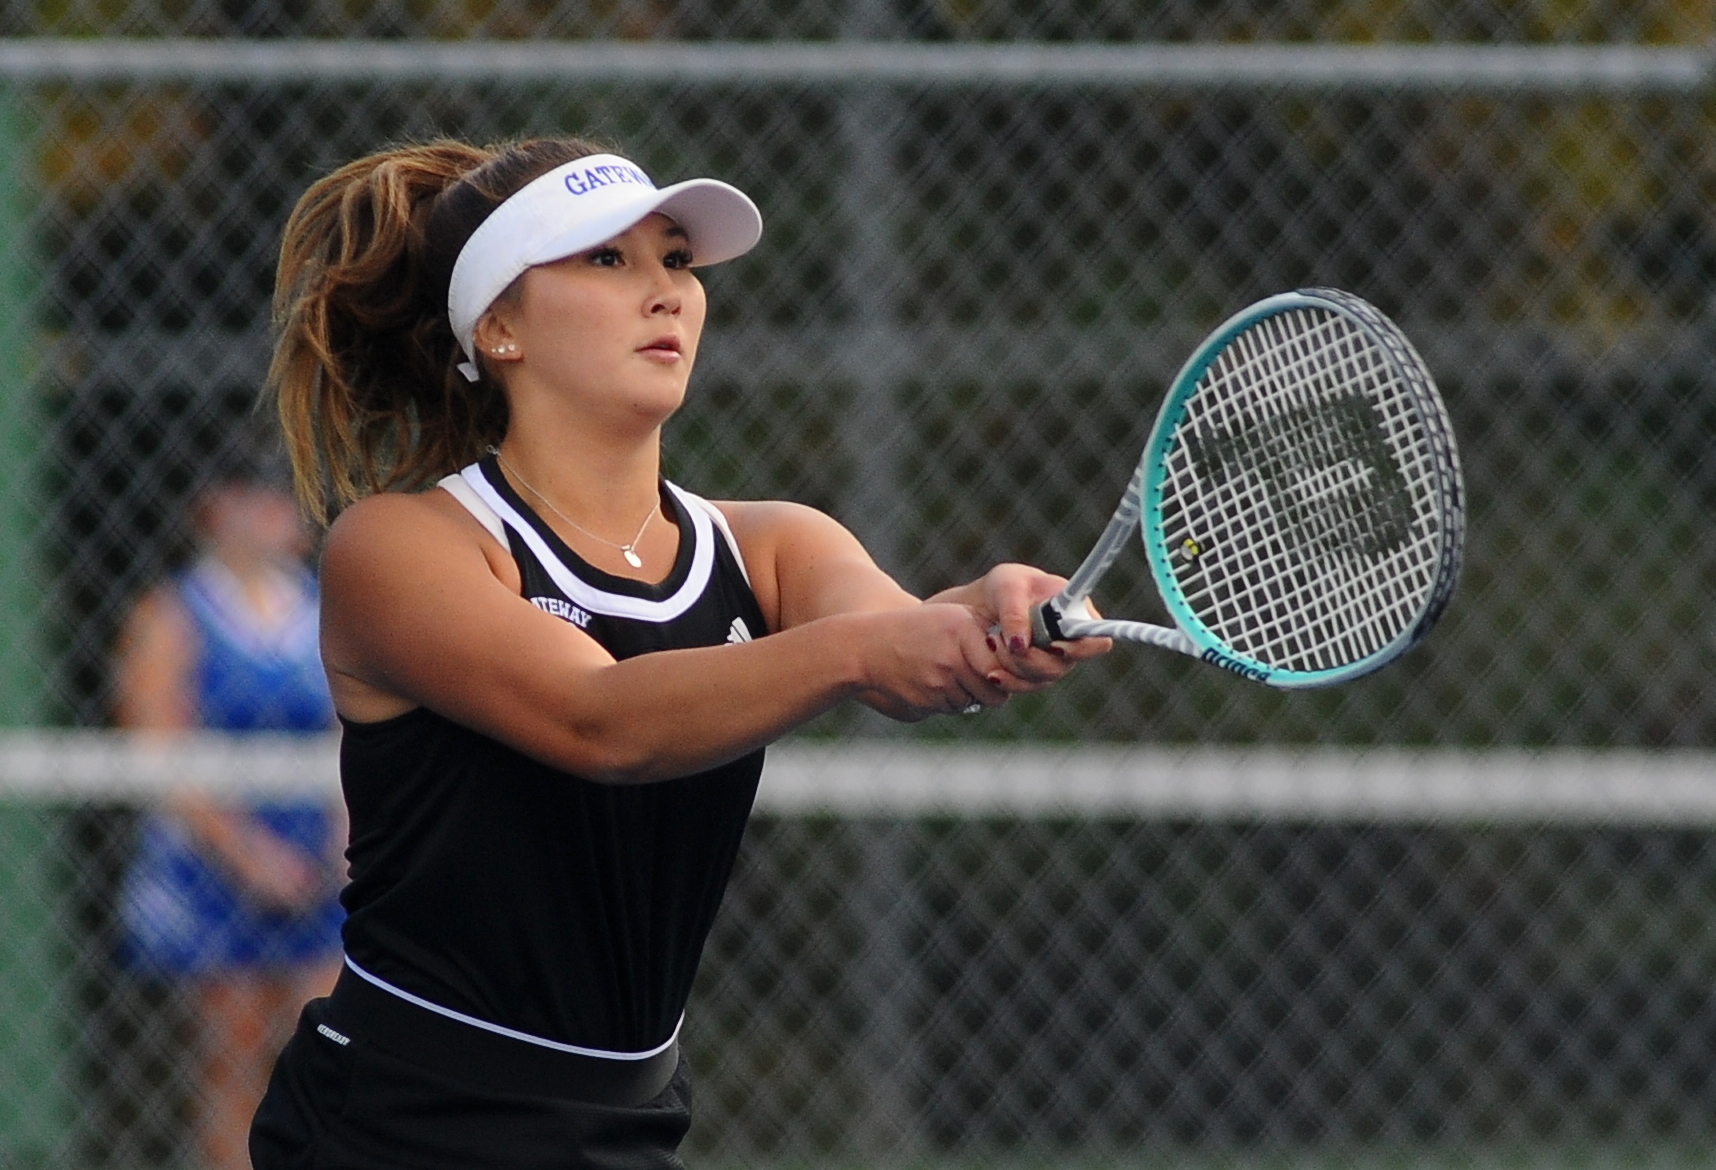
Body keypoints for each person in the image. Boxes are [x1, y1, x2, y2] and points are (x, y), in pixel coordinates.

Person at [245, 137, 1107, 1168]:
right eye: (608, 260)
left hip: (627, 1121)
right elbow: (601, 721)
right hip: (404, 1117)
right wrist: (868, 649)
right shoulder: (400, 547)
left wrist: (987, 613)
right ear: (501, 327)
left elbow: (901, 635)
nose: (664, 292)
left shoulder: (775, 543)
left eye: (678, 261)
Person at [112, 465, 345, 1170]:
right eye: (268, 496)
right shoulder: (173, 614)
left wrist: (342, 840)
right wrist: (248, 856)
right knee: (231, 1058)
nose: (286, 513)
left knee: (329, 1052)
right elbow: (158, 749)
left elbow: (354, 731)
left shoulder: (324, 609)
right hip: (214, 865)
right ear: (217, 507)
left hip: (321, 864)